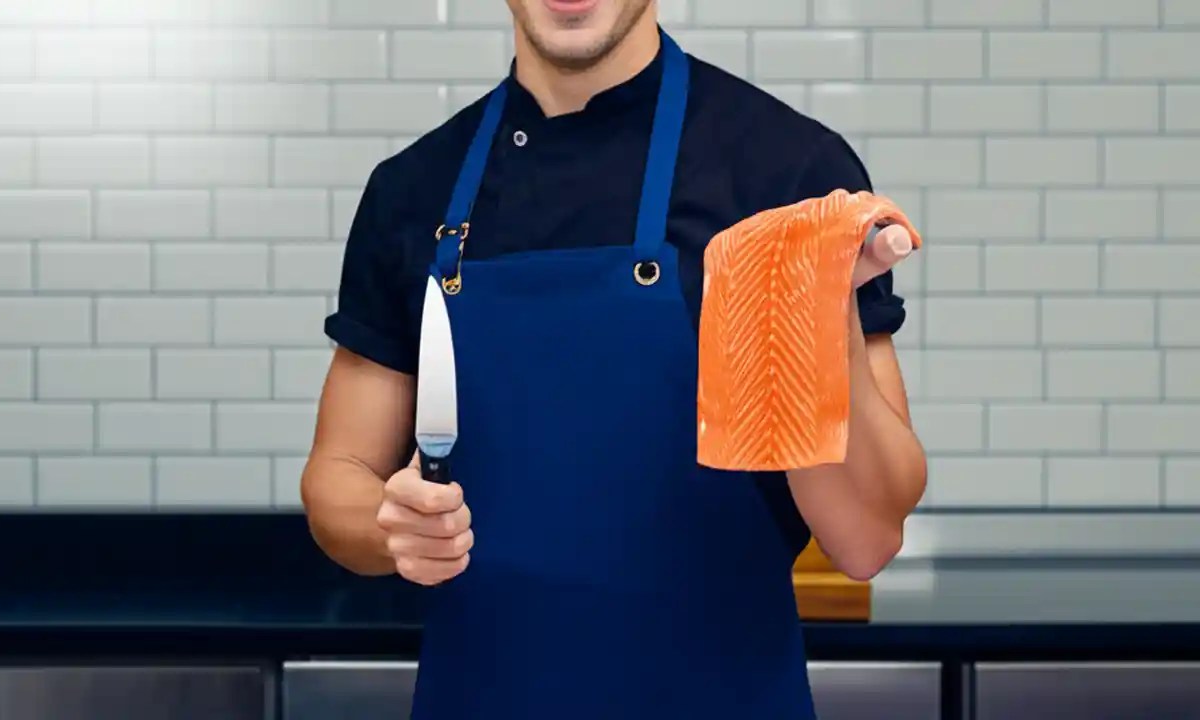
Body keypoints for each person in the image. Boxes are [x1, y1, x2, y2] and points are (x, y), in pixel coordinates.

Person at [301, 1, 927, 717]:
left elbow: (867, 539)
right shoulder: (412, 190)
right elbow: (336, 475)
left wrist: (821, 312)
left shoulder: (784, 174)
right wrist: (391, 524)